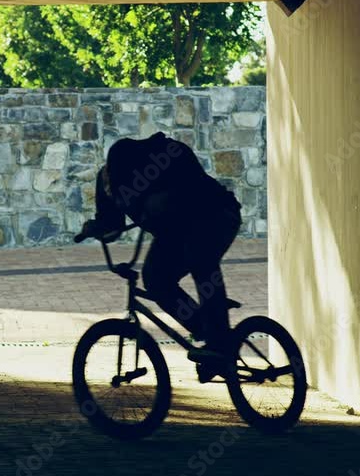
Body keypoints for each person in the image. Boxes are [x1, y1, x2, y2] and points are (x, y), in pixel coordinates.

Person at [78, 132, 242, 366]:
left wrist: (164, 202)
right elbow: (111, 225)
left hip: (216, 216)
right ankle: (205, 331)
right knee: (155, 279)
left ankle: (220, 342)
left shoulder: (168, 157)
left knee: (201, 261)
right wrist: (95, 228)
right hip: (175, 231)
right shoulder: (107, 183)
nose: (119, 192)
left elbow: (190, 189)